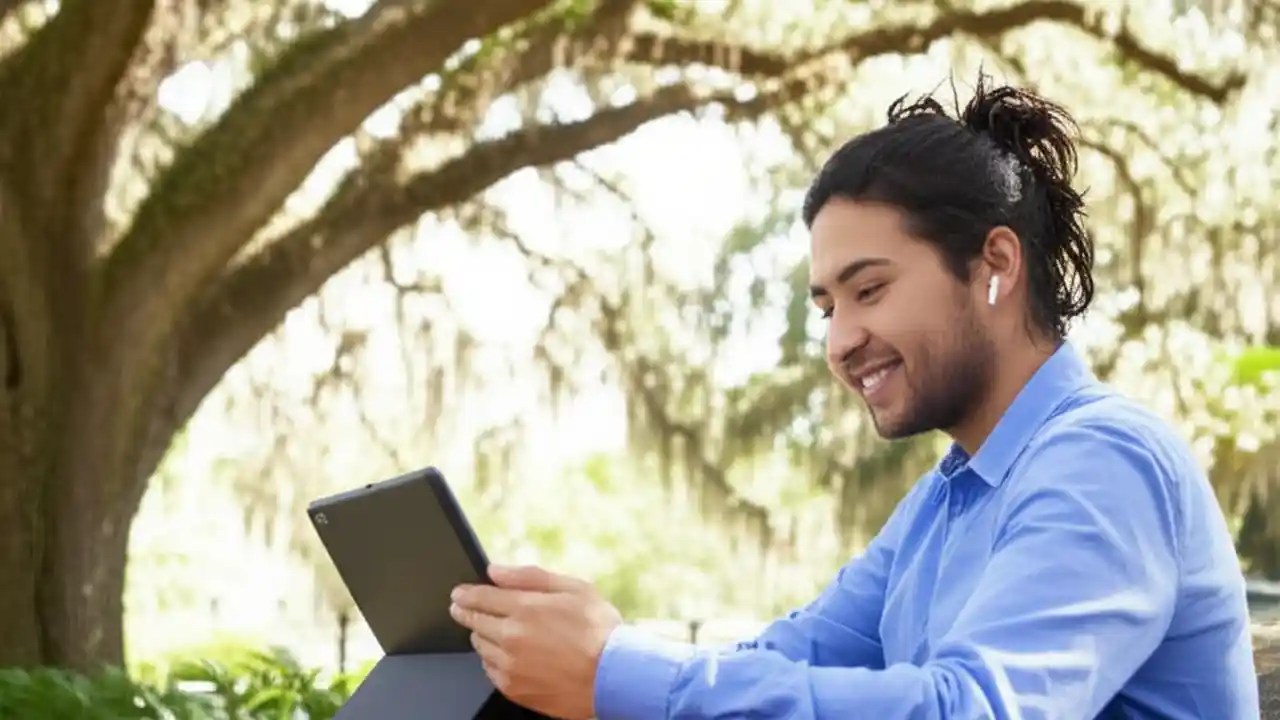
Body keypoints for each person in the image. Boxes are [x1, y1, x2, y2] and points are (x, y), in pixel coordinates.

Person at [449, 74, 1260, 719]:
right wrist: (588, 654)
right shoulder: (944, 504)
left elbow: (970, 710)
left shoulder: (1104, 459)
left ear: (996, 266)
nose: (839, 342)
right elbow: (787, 658)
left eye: (869, 290)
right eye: (827, 308)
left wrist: (618, 671)